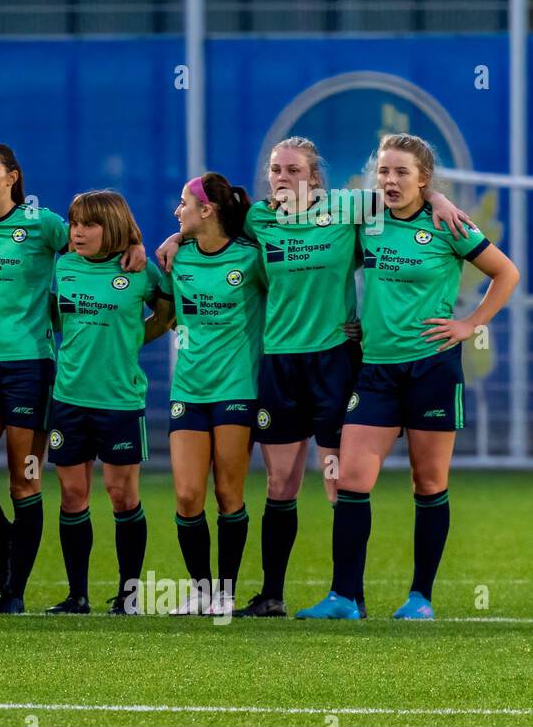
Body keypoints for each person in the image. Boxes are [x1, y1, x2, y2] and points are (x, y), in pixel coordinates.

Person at [157, 138, 475, 616]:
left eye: (293, 170)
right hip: (279, 365)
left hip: (333, 363)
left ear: (314, 177)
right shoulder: (259, 218)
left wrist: (439, 198)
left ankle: (348, 594)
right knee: (280, 483)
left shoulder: (347, 208)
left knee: (338, 481)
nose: (282, 177)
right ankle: (272, 596)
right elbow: (209, 221)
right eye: (276, 169)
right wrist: (174, 238)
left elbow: (402, 191)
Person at [297, 134, 520, 620]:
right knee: (351, 479)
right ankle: (345, 597)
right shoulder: (365, 220)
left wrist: (470, 324)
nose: (390, 180)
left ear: (423, 179)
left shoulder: (448, 224)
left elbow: (506, 274)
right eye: (384, 171)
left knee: (428, 481)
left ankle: (420, 598)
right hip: (376, 369)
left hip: (432, 368)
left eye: (402, 172)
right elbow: (320, 245)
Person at [46, 191, 173, 615]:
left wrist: (130, 340)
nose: (77, 232)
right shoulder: (64, 266)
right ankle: (76, 596)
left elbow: (166, 316)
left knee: (122, 495)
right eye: (74, 224)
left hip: (119, 400)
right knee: (72, 496)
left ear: (113, 227)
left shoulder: (139, 270)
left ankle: (129, 596)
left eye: (89, 225)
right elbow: (57, 319)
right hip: (69, 397)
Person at [158, 173, 264, 616]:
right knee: (187, 496)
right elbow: (163, 313)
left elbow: (291, 298)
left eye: (184, 203)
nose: (177, 211)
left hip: (237, 388)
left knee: (227, 493)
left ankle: (226, 592)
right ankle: (200, 590)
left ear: (207, 210)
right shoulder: (176, 258)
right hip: (188, 388)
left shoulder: (252, 258)